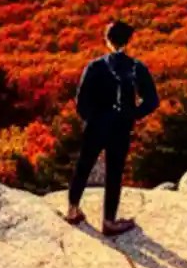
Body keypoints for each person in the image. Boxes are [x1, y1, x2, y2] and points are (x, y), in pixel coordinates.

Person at [65, 20, 159, 236]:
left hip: (96, 124)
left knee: (84, 166)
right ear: (128, 41)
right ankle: (109, 221)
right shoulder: (137, 67)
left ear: (107, 40)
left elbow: (81, 101)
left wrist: (91, 118)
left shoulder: (95, 66)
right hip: (121, 127)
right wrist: (132, 115)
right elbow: (152, 101)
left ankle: (72, 210)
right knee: (114, 173)